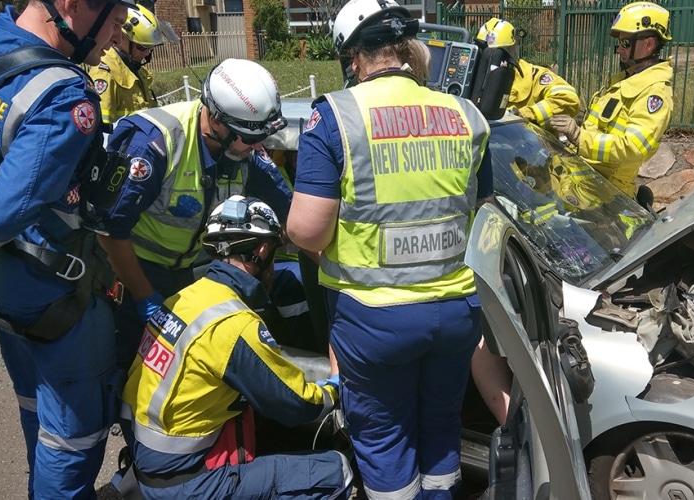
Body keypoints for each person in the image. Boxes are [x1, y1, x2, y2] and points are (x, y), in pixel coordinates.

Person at [288, 0, 493, 496]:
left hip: (376, 319)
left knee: (383, 439)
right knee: (441, 428)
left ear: (354, 58)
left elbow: (308, 231)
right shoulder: (466, 114)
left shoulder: (334, 116)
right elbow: (483, 213)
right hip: (457, 312)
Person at [0, 0, 134, 497]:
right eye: (113, 15)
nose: (120, 30)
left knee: (34, 405)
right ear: (68, 6)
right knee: (74, 436)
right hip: (53, 293)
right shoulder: (65, 96)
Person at [120, 195, 353, 499]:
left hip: (148, 464)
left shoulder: (185, 298)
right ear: (262, 249)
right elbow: (297, 405)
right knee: (335, 470)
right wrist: (334, 387)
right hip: (185, 482)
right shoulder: (233, 324)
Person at [97, 58, 299, 373]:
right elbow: (109, 230)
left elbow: (292, 212)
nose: (258, 145)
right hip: (127, 272)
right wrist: (144, 296)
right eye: (249, 137)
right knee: (127, 370)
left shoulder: (241, 147)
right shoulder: (155, 144)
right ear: (217, 121)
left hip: (185, 272)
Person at [551, 1, 674, 200]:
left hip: (605, 196)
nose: (619, 49)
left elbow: (633, 146)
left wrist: (579, 136)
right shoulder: (626, 81)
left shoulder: (654, 93)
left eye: (625, 43)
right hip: (585, 181)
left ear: (648, 44)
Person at [475, 17, 581, 132]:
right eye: (485, 54)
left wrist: (525, 114)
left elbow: (569, 98)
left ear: (512, 50)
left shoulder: (534, 76)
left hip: (533, 147)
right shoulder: (470, 79)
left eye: (496, 55)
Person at [86, 3, 168, 123]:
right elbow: (102, 128)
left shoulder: (137, 71)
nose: (146, 53)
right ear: (123, 38)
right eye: (141, 47)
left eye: (150, 48)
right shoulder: (105, 74)